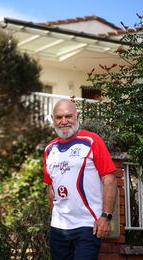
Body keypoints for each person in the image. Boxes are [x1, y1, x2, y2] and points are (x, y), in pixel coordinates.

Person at [43, 99, 117, 259]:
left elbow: (109, 180)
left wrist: (106, 216)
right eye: (59, 117)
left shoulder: (92, 141)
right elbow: (51, 188)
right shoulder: (49, 150)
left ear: (77, 116)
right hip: (59, 228)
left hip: (88, 225)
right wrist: (56, 216)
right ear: (52, 119)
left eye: (68, 116)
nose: (63, 121)